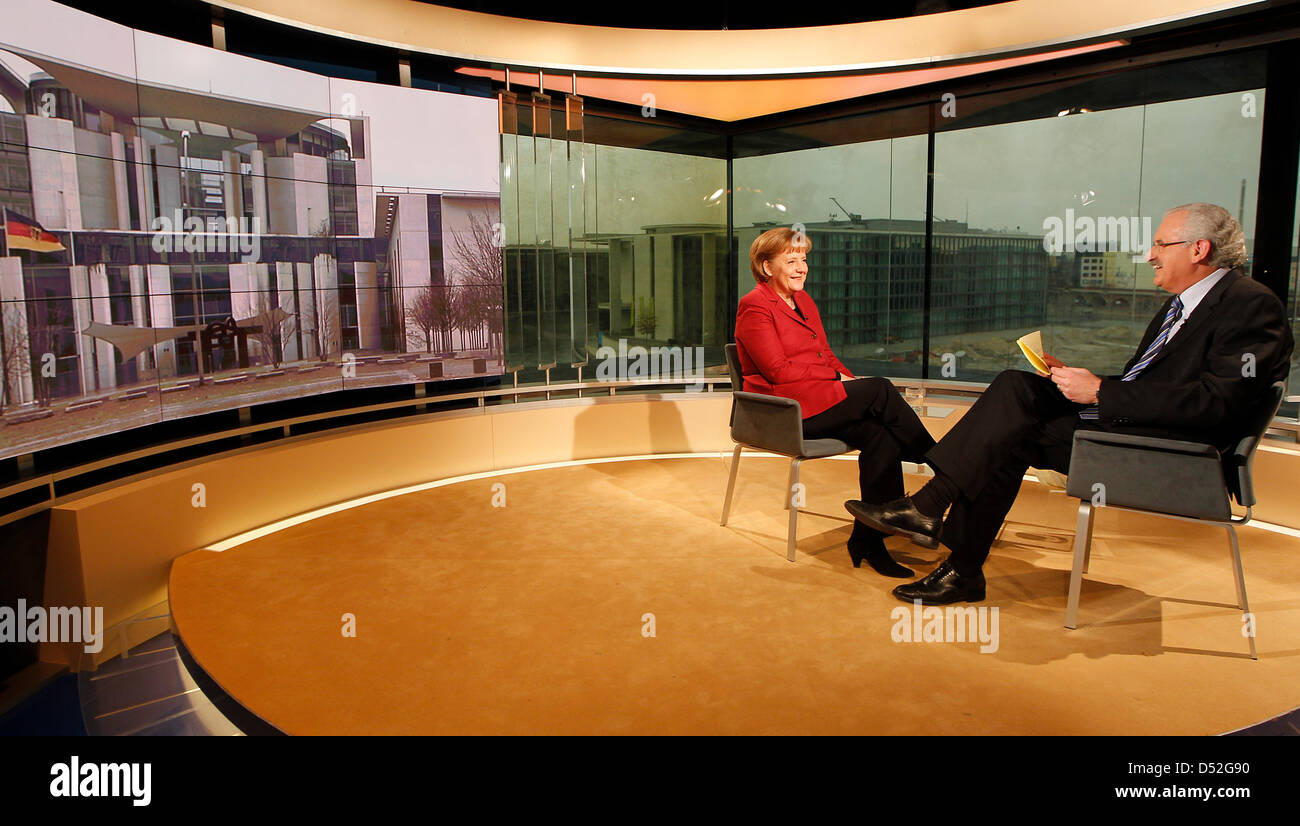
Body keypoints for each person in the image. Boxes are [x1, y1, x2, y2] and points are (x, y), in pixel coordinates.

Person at [844, 202, 1295, 604]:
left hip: (1175, 456)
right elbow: (1155, 383)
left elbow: (1218, 405)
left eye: (1160, 244)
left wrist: (1100, 391)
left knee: (1008, 433)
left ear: (1199, 249)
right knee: (1016, 386)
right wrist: (1080, 379)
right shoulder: (1183, 305)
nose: (1149, 255)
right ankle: (938, 532)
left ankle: (939, 530)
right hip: (1139, 427)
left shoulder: (1250, 306)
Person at [735, 226, 937, 577]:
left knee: (881, 434)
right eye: (791, 260)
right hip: (784, 411)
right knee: (881, 388)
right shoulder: (754, 306)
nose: (802, 268)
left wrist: (848, 380)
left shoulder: (805, 301)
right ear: (767, 267)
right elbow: (778, 371)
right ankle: (945, 469)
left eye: (804, 259)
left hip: (816, 400)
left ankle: (868, 540)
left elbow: (826, 355)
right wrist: (836, 379)